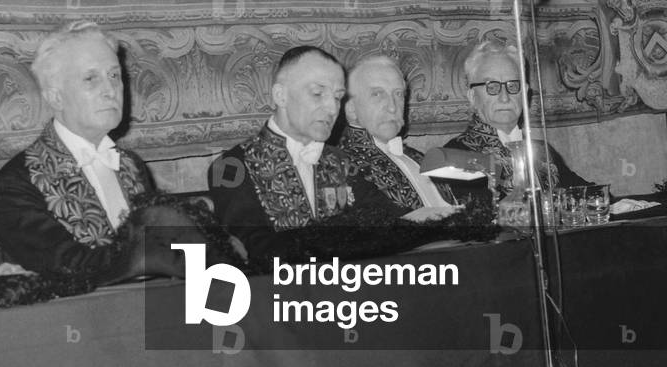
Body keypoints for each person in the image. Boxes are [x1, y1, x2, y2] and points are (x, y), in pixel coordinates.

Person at [0, 21, 158, 277]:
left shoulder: (131, 165)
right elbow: (66, 266)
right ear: (55, 97)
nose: (110, 90)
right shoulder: (16, 182)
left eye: (114, 76)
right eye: (91, 78)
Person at [208, 46, 353, 261]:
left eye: (338, 97)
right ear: (281, 96)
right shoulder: (229, 167)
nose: (332, 109)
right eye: (317, 93)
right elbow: (255, 249)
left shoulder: (344, 161)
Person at [444, 39, 590, 197]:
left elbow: (585, 193)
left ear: (525, 93)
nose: (505, 97)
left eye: (513, 86)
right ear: (473, 96)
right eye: (492, 86)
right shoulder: (455, 156)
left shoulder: (542, 151)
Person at [340, 54, 460, 220]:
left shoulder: (419, 158)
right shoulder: (340, 167)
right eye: (377, 94)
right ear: (351, 108)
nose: (392, 107)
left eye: (398, 94)